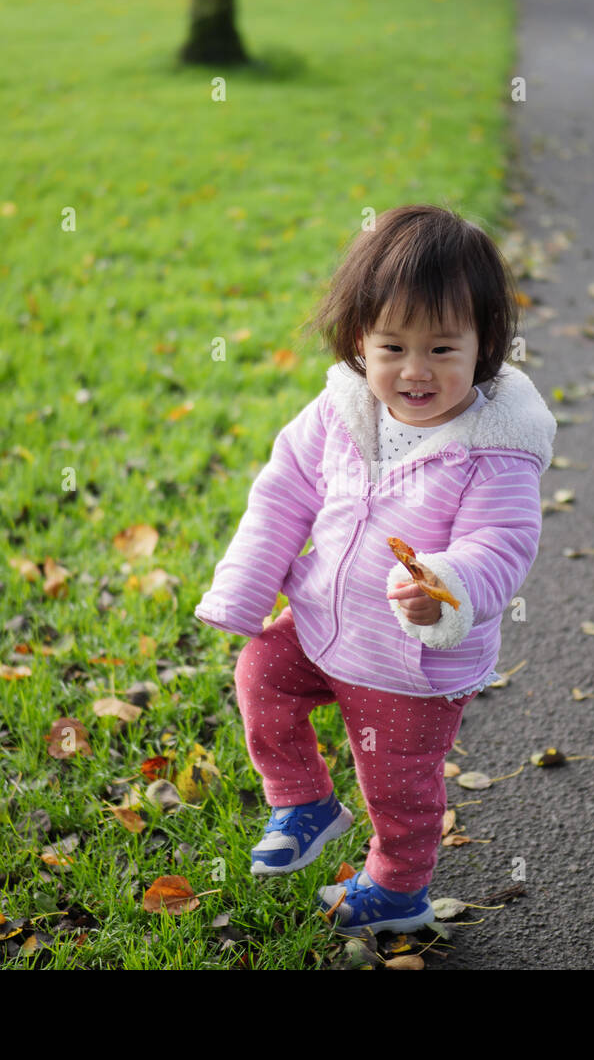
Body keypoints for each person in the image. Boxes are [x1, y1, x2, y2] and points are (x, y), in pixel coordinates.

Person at [194, 204, 557, 935]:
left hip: (408, 664)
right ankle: (302, 800)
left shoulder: (491, 446)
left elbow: (503, 542)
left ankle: (397, 886)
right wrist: (244, 586)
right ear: (359, 337)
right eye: (393, 346)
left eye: (443, 349)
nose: (415, 371)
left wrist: (445, 587)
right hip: (324, 624)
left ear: (485, 345)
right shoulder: (342, 410)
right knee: (260, 673)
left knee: (397, 784)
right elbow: (283, 493)